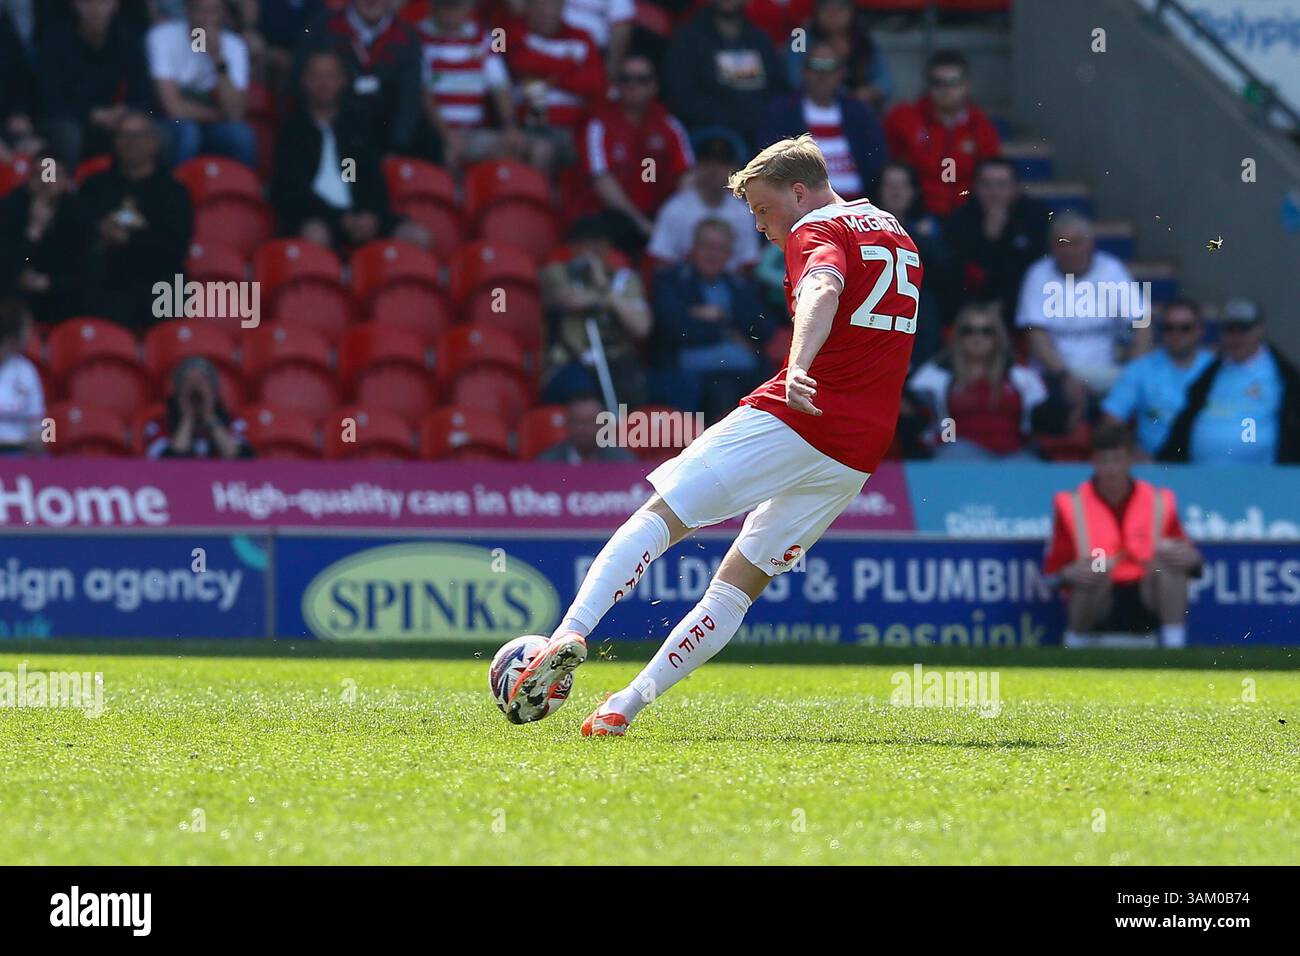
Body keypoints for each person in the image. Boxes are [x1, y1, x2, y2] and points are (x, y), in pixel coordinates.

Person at [501, 134, 923, 735]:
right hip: (859, 448)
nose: (759, 225)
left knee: (660, 515)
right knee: (740, 584)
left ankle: (567, 634)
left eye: (762, 208)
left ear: (799, 193)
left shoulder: (816, 231)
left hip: (800, 413)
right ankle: (626, 704)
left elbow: (823, 288)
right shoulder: (894, 230)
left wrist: (799, 363)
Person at [1044, 423, 1202, 649]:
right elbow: (1052, 574)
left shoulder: (1158, 500)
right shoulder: (1071, 503)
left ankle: (1174, 648)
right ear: (1094, 463)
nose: (1111, 469)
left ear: (1130, 461)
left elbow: (1189, 555)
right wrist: (1067, 573)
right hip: (1099, 600)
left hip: (1147, 593)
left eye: (1117, 460)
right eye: (1104, 461)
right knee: (1096, 567)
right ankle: (1073, 648)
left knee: (1168, 560)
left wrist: (1192, 559)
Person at [1015, 210, 1151, 410]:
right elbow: (1036, 336)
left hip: (1107, 373)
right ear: (1051, 246)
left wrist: (1133, 374)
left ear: (1091, 244)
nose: (1069, 250)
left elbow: (1142, 323)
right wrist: (1064, 377)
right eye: (1062, 243)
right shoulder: (1038, 274)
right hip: (1053, 376)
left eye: (1077, 243)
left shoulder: (1111, 269)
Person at [78, 110, 194, 331]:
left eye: (138, 136)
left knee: (174, 287)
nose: (131, 143)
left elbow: (178, 244)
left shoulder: (174, 192)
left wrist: (129, 239)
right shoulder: (94, 186)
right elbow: (78, 228)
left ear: (154, 142)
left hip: (156, 281)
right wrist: (100, 231)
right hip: (109, 279)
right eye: (123, 136)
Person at [650, 218, 772, 420]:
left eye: (720, 248)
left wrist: (718, 316)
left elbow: (764, 328)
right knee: (719, 389)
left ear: (729, 254)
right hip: (685, 368)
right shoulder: (672, 280)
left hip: (738, 370)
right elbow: (671, 328)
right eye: (707, 246)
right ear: (693, 248)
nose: (712, 254)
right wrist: (727, 331)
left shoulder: (739, 285)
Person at [270, 49, 392, 250]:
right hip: (316, 218)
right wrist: (340, 218)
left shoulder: (357, 128)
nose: (323, 84)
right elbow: (291, 191)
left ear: (343, 80)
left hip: (359, 215)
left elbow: (371, 177)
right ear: (304, 80)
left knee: (416, 236)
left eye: (330, 76)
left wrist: (371, 214)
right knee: (315, 235)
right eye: (316, 76)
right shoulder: (293, 130)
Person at [1158, 299, 1300, 465]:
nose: (1236, 337)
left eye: (1243, 330)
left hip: (1263, 480)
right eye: (1230, 330)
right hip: (1201, 476)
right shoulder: (1209, 372)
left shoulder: (1283, 375)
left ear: (1259, 330)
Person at [577, 55, 693, 254]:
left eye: (642, 80)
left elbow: (686, 177)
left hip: (659, 213)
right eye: (626, 79)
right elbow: (602, 181)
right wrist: (642, 224)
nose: (633, 85)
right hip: (612, 217)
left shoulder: (669, 124)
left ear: (654, 86)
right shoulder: (599, 124)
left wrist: (672, 219)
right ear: (617, 85)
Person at [908, 302, 1046, 460]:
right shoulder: (936, 374)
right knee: (956, 452)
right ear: (958, 335)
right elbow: (918, 416)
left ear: (997, 336)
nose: (977, 338)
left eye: (986, 331)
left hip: (1013, 457)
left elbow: (1038, 420)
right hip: (957, 455)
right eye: (969, 331)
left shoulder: (1021, 376)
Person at [539, 215, 652, 407]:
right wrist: (608, 299)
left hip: (617, 361)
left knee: (640, 396)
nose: (593, 251)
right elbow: (571, 300)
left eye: (600, 244)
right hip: (571, 362)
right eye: (586, 244)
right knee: (585, 395)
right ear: (574, 247)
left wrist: (605, 288)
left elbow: (641, 327)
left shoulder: (625, 279)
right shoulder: (556, 273)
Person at [759, 40, 887, 201]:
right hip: (805, 213)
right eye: (816, 66)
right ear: (804, 71)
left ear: (841, 73)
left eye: (829, 68)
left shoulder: (858, 113)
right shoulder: (782, 112)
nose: (822, 75)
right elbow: (771, 167)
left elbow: (877, 164)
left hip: (856, 211)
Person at [300, 0, 429, 157]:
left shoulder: (407, 37)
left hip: (386, 143)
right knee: (348, 173)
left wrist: (397, 148)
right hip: (333, 137)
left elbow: (410, 99)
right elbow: (301, 83)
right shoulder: (323, 28)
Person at [38, 0, 156, 167]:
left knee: (158, 134)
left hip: (120, 119)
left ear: (115, 5)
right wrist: (91, 114)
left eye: (103, 3)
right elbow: (51, 99)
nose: (96, 9)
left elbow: (143, 93)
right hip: (73, 120)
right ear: (75, 4)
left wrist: (125, 111)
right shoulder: (55, 42)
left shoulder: (129, 40)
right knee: (68, 135)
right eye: (88, 3)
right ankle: (67, 189)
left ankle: (148, 188)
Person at [415, 0, 530, 172]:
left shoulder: (485, 38)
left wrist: (510, 125)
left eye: (456, 7)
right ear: (433, 6)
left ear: (469, 7)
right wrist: (446, 135)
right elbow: (423, 94)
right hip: (434, 133)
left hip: (474, 133)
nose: (450, 14)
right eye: (445, 6)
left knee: (512, 147)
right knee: (447, 152)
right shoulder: (417, 38)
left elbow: (500, 88)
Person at [883, 50, 1000, 217]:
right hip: (916, 213)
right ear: (928, 85)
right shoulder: (903, 119)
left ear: (967, 85)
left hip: (967, 213)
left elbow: (991, 173)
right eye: (937, 82)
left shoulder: (980, 125)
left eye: (953, 82)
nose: (945, 89)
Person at [662, 0, 789, 153]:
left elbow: (776, 89)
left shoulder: (760, 40)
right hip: (707, 138)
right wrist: (733, 118)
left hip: (759, 134)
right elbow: (682, 97)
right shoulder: (688, 39)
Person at [147, 0, 259, 167]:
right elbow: (173, 108)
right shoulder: (162, 37)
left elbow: (235, 114)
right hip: (171, 124)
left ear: (223, 13)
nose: (206, 18)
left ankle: (240, 190)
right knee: (188, 132)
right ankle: (176, 190)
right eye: (200, 10)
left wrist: (217, 57)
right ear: (187, 10)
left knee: (241, 136)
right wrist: (217, 115)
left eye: (213, 11)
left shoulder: (235, 46)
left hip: (214, 128)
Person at [1100, 299, 1214, 459]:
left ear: (1200, 330)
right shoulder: (1141, 369)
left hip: (1207, 465)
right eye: (1169, 328)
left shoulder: (1217, 368)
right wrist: (1134, 454)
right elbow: (1111, 420)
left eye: (1185, 328)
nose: (1176, 334)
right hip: (1154, 466)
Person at [944, 156, 1050, 327]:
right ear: (975, 188)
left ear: (1016, 188)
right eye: (986, 185)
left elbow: (1038, 270)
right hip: (972, 311)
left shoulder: (1036, 217)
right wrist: (988, 241)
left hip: (1022, 307)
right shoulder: (960, 221)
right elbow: (957, 276)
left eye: (1001, 185)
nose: (993, 193)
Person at [646, 135, 761, 273]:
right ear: (696, 167)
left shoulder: (743, 212)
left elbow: (747, 265)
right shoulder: (675, 209)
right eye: (708, 163)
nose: (714, 170)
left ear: (735, 170)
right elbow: (660, 262)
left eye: (722, 164)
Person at [0, 152, 90, 325]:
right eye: (38, 174)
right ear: (28, 179)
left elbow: (87, 272)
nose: (44, 181)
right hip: (15, 300)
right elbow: (8, 267)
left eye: (52, 175)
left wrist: (50, 283)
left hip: (64, 299)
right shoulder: (10, 208)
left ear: (66, 181)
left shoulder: (80, 214)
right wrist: (33, 233)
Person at [785, 0, 892, 113]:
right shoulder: (800, 36)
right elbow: (794, 77)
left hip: (859, 109)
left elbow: (885, 80)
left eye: (840, 9)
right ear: (816, 11)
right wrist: (845, 94)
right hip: (811, 107)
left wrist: (870, 92)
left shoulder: (863, 39)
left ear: (851, 12)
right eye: (826, 9)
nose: (832, 15)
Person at [145, 356, 253, 458]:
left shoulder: (234, 422)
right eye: (188, 382)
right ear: (178, 391)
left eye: (201, 382)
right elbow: (166, 464)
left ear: (213, 390)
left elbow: (240, 460)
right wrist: (187, 417)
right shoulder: (159, 425)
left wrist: (209, 416)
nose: (195, 387)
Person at [536, 392, 636, 463]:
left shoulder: (622, 461)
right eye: (577, 421)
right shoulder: (547, 462)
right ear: (567, 424)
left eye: (590, 422)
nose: (583, 428)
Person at [0, 298, 44, 456]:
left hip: (19, 453)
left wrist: (45, 437)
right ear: (12, 337)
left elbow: (43, 422)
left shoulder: (27, 371)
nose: (31, 335)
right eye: (27, 328)